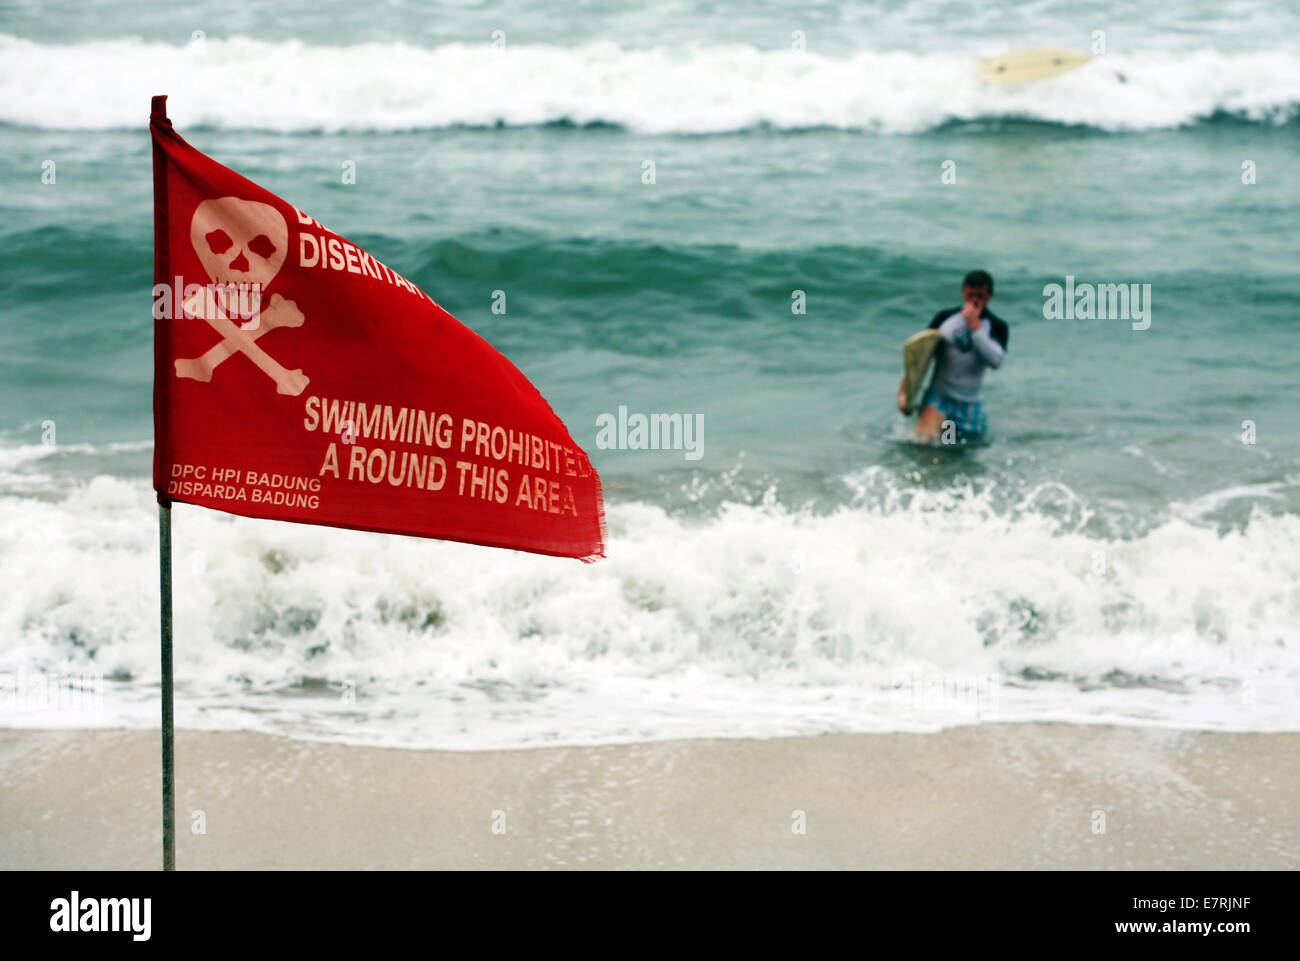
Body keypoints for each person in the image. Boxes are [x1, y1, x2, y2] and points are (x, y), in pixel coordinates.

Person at [897, 269, 1008, 443]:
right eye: (971, 295)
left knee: (961, 453)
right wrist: (904, 393)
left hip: (970, 405)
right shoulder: (945, 319)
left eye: (980, 296)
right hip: (940, 399)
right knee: (923, 443)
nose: (975, 301)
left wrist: (975, 328)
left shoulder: (997, 326)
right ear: (964, 292)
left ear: (990, 297)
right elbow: (919, 356)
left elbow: (996, 361)